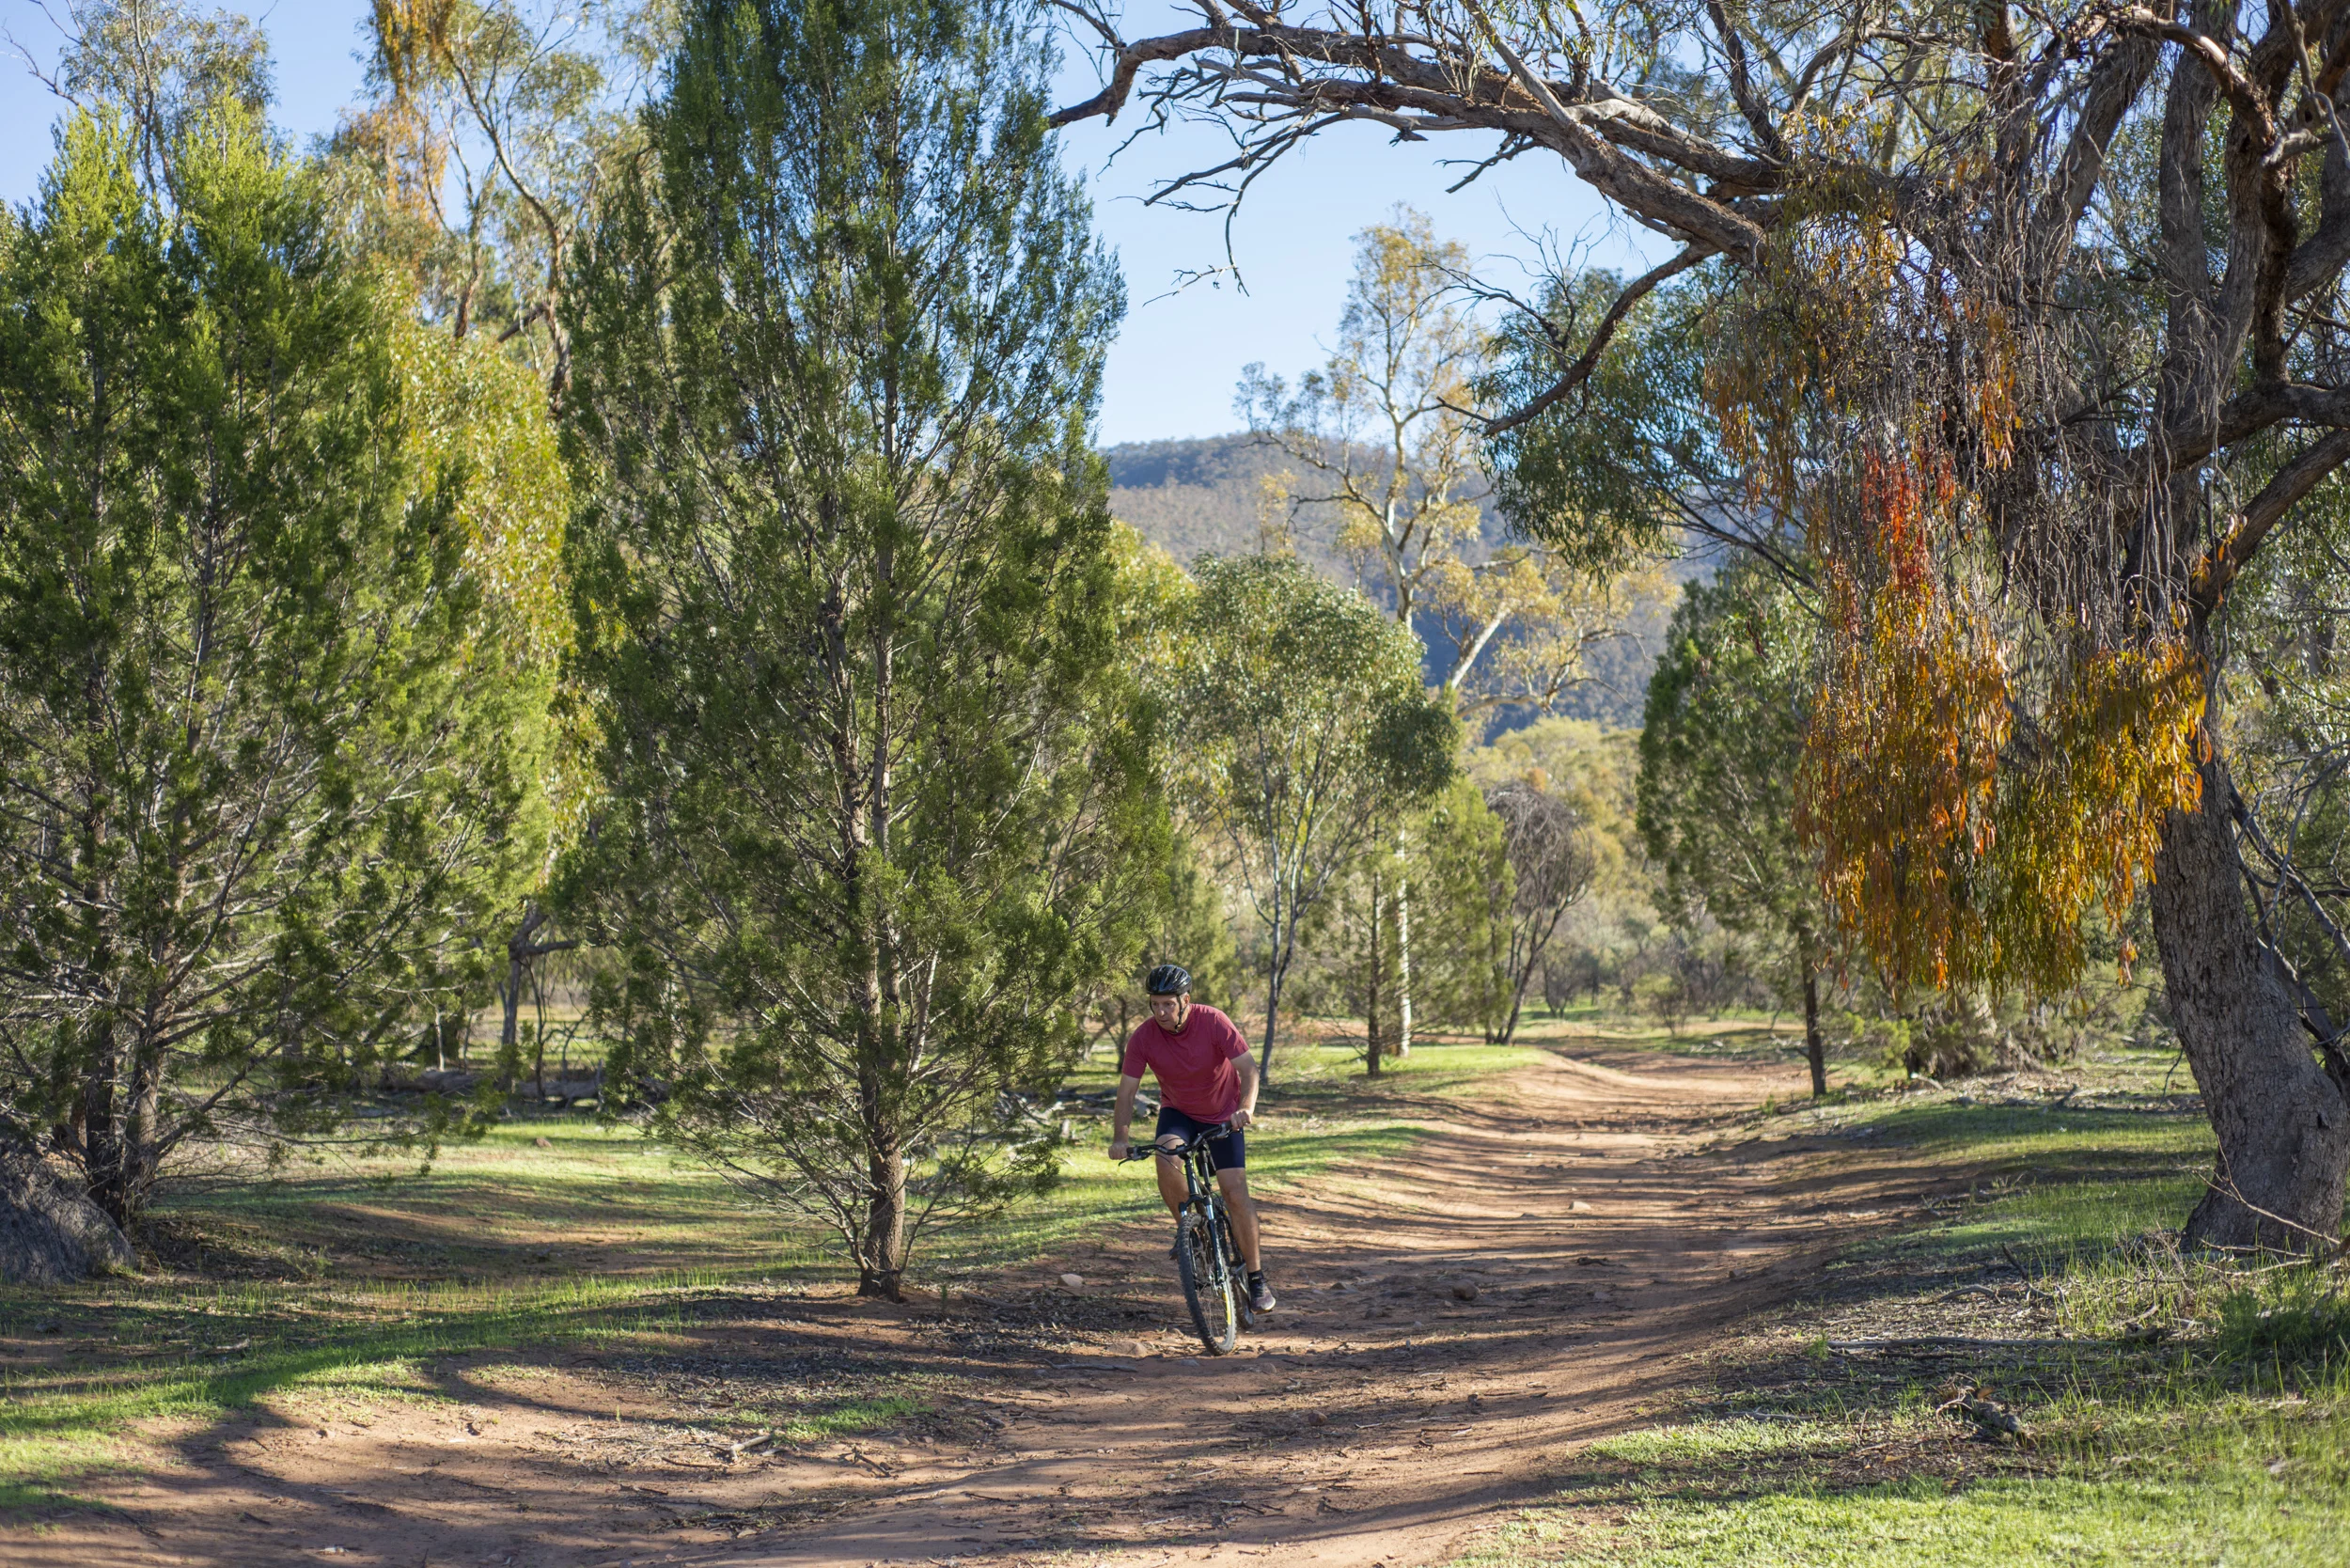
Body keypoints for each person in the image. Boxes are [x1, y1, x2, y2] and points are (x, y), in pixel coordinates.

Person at [1108, 963, 1277, 1313]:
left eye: (1168, 1004)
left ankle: (1257, 1278)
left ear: (1186, 1000)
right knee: (1165, 1157)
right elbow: (1126, 1093)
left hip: (1224, 1114)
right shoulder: (1143, 1037)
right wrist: (1120, 1137)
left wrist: (1246, 1107)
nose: (1161, 1012)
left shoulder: (1214, 1021)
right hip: (1179, 1112)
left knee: (1234, 1190)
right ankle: (1192, 1233)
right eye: (1155, 1004)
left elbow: (1248, 1070)